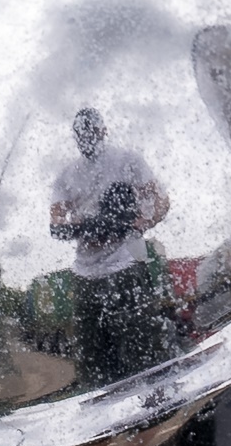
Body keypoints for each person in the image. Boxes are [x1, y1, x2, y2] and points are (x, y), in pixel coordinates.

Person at [49, 107, 178, 384]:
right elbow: (56, 223)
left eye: (92, 131)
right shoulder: (66, 175)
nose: (87, 138)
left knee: (145, 358)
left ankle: (157, 404)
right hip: (84, 276)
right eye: (81, 134)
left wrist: (138, 224)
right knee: (94, 367)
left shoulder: (126, 160)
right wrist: (85, 227)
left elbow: (161, 201)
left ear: (103, 131)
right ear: (75, 137)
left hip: (125, 267)